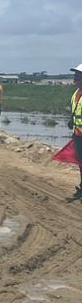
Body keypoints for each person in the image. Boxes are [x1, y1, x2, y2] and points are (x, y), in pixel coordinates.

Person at [68, 65, 82, 202]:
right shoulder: (76, 93)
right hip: (78, 134)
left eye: (78, 76)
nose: (75, 78)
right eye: (75, 75)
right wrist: (71, 120)